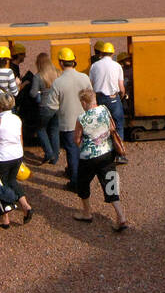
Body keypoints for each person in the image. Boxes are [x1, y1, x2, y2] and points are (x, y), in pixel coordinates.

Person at [71, 88, 130, 231]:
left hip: (89, 157)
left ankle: (87, 212)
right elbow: (112, 127)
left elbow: (77, 139)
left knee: (83, 183)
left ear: (85, 102)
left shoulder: (82, 118)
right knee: (110, 182)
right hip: (107, 153)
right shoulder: (104, 109)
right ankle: (120, 215)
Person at [0, 94, 33, 228]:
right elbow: (20, 139)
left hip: (3, 157)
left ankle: (4, 218)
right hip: (17, 154)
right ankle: (25, 206)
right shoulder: (17, 119)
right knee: (12, 181)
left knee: (1, 186)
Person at [51, 47, 93, 187]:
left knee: (72, 152)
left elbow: (52, 105)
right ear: (74, 61)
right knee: (84, 150)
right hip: (85, 121)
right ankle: (84, 177)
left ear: (61, 63)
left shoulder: (58, 83)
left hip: (68, 123)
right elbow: (91, 97)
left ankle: (75, 181)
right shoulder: (84, 78)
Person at [90, 41, 128, 164]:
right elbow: (121, 88)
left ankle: (102, 155)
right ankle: (120, 155)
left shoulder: (94, 66)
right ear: (112, 53)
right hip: (114, 98)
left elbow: (90, 85)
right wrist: (120, 97)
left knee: (101, 128)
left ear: (101, 52)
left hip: (100, 98)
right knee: (118, 126)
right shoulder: (117, 66)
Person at [31, 52, 61, 165]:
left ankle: (48, 152)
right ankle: (56, 156)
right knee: (54, 130)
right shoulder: (58, 73)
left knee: (40, 129)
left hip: (45, 106)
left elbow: (33, 94)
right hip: (57, 105)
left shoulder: (38, 76)